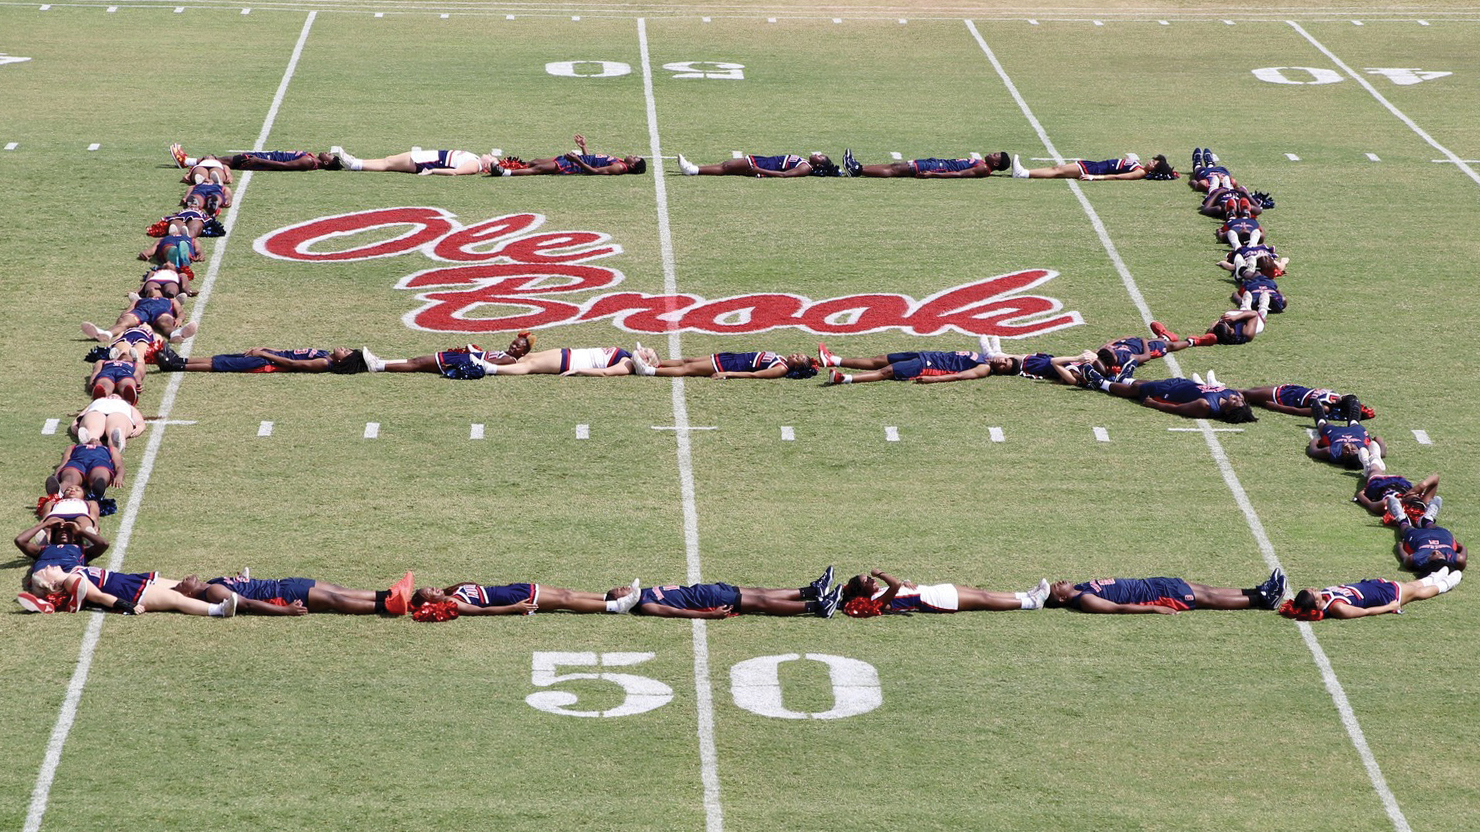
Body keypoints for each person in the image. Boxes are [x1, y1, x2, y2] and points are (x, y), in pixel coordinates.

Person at [607, 567, 840, 619]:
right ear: (623, 601)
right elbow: (674, 612)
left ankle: (812, 591)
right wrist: (710, 615)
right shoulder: (646, 605)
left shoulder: (643, 593)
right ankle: (817, 607)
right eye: (620, 591)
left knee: (760, 592)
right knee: (762, 601)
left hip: (710, 589)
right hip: (710, 599)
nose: (623, 587)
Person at [24, 564, 238, 617]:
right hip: (127, 592)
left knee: (181, 587)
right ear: (52, 584)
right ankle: (219, 610)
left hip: (129, 582)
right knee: (175, 598)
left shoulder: (73, 571)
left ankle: (236, 586)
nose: (48, 566)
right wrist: (128, 605)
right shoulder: (72, 580)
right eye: (45, 571)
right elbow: (98, 595)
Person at [172, 570, 414, 616]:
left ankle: (389, 593)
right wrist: (285, 610)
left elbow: (242, 587)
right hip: (280, 595)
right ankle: (388, 606)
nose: (182, 580)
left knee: (339, 590)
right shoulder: (213, 591)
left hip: (283, 584)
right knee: (334, 600)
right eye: (181, 586)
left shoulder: (212, 582)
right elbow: (246, 604)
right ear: (190, 595)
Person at [1045, 571, 1286, 614]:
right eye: (1057, 587)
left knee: (1207, 589)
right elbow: (1119, 608)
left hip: (1153, 584)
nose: (1059, 582)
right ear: (1063, 598)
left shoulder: (1082, 587)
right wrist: (1154, 607)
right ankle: (1260, 601)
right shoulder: (1085, 599)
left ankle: (1258, 590)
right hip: (1154, 596)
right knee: (1208, 599)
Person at [838, 569, 1049, 618]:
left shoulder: (879, 593)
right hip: (937, 601)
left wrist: (906, 583)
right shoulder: (877, 600)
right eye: (868, 581)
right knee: (985, 600)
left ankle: (1025, 594)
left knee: (984, 592)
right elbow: (893, 586)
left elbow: (898, 587)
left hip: (934, 590)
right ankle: (1032, 603)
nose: (873, 580)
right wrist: (881, 573)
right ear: (862, 591)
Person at [408, 577, 643, 617]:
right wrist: (514, 607)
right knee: (564, 602)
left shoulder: (451, 592)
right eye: (431, 593)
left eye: (431, 587)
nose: (435, 589)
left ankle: (610, 596)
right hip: (515, 599)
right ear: (431, 603)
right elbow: (482, 611)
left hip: (517, 589)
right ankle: (616, 607)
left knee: (566, 593)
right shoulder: (452, 604)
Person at [1279, 570, 1462, 620]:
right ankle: (1446, 583)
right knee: (1417, 593)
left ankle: (1434, 577)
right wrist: (1389, 607)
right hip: (1384, 597)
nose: (1314, 588)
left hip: (1375, 586)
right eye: (1313, 592)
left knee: (1410, 585)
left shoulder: (1326, 596)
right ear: (1316, 603)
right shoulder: (1337, 608)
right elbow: (1365, 612)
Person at [1082, 372, 1260, 424]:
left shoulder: (1205, 406)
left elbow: (1176, 409)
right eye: (1241, 401)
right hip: (1181, 384)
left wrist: (1154, 404)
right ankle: (1120, 378)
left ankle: (1101, 383)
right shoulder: (1232, 395)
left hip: (1170, 394)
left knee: (1136, 390)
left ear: (1228, 411)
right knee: (1148, 382)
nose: (1238, 399)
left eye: (1237, 403)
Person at [816, 342, 1015, 385]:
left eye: (1005, 365)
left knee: (886, 371)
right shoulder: (986, 356)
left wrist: (930, 380)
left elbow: (960, 375)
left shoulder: (985, 368)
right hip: (924, 354)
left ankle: (844, 379)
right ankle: (833, 360)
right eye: (1006, 359)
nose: (1002, 361)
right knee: (879, 359)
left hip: (927, 366)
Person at [1384, 495, 1466, 575]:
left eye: (1433, 555)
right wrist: (1461, 547)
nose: (1436, 552)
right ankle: (1427, 520)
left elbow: (1406, 559)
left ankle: (1401, 518)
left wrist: (1400, 548)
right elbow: (1463, 552)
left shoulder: (1418, 559)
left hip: (1418, 537)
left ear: (1428, 563)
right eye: (1440, 556)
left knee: (1406, 529)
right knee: (1433, 526)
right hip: (1441, 535)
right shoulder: (1457, 559)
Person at [491, 134, 645, 177]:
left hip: (573, 164)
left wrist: (576, 160)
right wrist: (584, 147)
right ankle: (505, 165)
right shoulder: (619, 161)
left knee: (539, 168)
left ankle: (505, 173)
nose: (633, 155)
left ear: (633, 165)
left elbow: (594, 172)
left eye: (635, 157)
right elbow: (593, 161)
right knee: (536, 161)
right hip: (575, 159)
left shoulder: (619, 167)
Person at [155, 345, 367, 375]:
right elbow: (291, 352)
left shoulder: (324, 363)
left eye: (346, 353)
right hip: (271, 356)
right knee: (222, 358)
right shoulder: (324, 353)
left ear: (341, 362)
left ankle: (176, 366)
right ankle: (180, 358)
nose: (343, 349)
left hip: (268, 364)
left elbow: (293, 363)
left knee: (219, 365)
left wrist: (265, 355)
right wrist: (267, 348)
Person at [630, 347, 817, 380]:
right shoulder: (782, 360)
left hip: (730, 366)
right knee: (689, 360)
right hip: (731, 358)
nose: (795, 354)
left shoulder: (780, 369)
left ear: (797, 367)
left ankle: (649, 372)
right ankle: (657, 364)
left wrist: (727, 373)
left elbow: (754, 375)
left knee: (688, 369)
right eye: (798, 353)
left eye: (798, 358)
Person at [1306, 397, 1385, 469]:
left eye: (1346, 453)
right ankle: (1343, 400)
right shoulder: (1367, 451)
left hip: (1334, 432)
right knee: (1354, 403)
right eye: (1353, 449)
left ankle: (1320, 409)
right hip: (1355, 429)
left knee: (1322, 421)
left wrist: (1315, 441)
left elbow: (1313, 451)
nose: (1348, 447)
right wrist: (1378, 451)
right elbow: (1379, 441)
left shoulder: (1332, 452)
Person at [81, 296, 196, 345]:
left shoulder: (170, 300)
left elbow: (180, 311)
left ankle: (175, 334)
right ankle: (106, 334)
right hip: (141, 311)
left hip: (160, 311)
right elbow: (128, 311)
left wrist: (180, 318)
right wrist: (122, 319)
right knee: (125, 322)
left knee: (166, 323)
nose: (153, 289)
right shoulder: (139, 300)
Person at [171, 144, 342, 176]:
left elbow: (283, 166)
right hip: (264, 157)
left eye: (330, 155)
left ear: (326, 163)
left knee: (229, 161)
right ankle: (193, 162)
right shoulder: (312, 158)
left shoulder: (309, 162)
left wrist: (258, 160)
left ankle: (188, 162)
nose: (328, 152)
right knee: (228, 160)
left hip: (263, 160)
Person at [841, 149, 1010, 179]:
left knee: (896, 170)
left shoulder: (983, 169)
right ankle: (858, 168)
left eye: (995, 155)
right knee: (895, 166)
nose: (991, 153)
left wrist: (933, 174)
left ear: (996, 163)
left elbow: (959, 174)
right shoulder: (983, 164)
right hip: (936, 163)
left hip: (935, 168)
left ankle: (857, 169)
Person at [333, 146, 493, 176]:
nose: (491, 155)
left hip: (428, 162)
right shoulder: (477, 159)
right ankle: (355, 162)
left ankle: (354, 164)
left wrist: (433, 170)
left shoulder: (475, 165)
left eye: (493, 159)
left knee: (388, 163)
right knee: (388, 161)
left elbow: (456, 172)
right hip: (430, 157)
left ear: (487, 166)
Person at [1010, 153, 1175, 181]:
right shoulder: (1139, 166)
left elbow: (1117, 177)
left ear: (1154, 170)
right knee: (1058, 168)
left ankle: (1023, 173)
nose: (1151, 161)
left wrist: (1094, 177)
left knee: (1057, 171)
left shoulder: (1139, 172)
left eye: (1155, 164)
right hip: (1095, 165)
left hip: (1095, 170)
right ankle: (1024, 173)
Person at [1237, 386, 1372, 420]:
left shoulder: (1325, 408)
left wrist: (1277, 407)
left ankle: (1219, 390)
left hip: (1284, 398)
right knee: (1251, 391)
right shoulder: (1335, 397)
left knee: (1248, 395)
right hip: (1291, 389)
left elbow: (1298, 412)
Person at [45, 441, 124, 500]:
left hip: (98, 462)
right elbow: (64, 462)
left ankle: (98, 489)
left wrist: (119, 476)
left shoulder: (110, 449)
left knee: (100, 474)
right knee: (70, 477)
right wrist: (56, 475)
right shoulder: (73, 447)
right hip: (77, 462)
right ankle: (59, 490)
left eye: (97, 439)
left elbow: (119, 465)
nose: (94, 439)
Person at [1150, 309, 1264, 348]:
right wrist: (1235, 318)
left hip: (1240, 319)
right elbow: (1254, 314)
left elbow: (1211, 330)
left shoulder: (1221, 333)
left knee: (1228, 313)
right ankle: (1262, 307)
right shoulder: (1247, 334)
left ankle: (1245, 303)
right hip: (1257, 321)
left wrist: (1228, 319)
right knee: (1257, 312)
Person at [70, 394, 146, 451]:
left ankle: (115, 443)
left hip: (119, 413)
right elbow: (81, 415)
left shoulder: (127, 405)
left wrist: (140, 427)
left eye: (117, 396)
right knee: (93, 425)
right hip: (97, 412)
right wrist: (74, 424)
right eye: (110, 395)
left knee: (117, 426)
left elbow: (139, 420)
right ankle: (90, 440)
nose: (113, 395)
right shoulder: (96, 402)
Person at [676, 152, 838, 178]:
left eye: (819, 157)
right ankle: (694, 169)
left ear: (819, 166)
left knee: (727, 167)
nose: (816, 155)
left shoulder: (805, 168)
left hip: (764, 165)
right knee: (728, 166)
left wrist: (759, 170)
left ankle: (692, 170)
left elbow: (784, 175)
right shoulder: (807, 163)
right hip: (765, 161)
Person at [1354, 471, 1436, 520]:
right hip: (1401, 484)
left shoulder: (1387, 505)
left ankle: (1372, 459)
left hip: (1379, 486)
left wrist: (1360, 495)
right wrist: (1421, 486)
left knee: (1375, 470)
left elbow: (1369, 504)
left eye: (1414, 496)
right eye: (1418, 496)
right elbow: (1435, 478)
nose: (1415, 494)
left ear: (1405, 503)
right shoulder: (1421, 505)